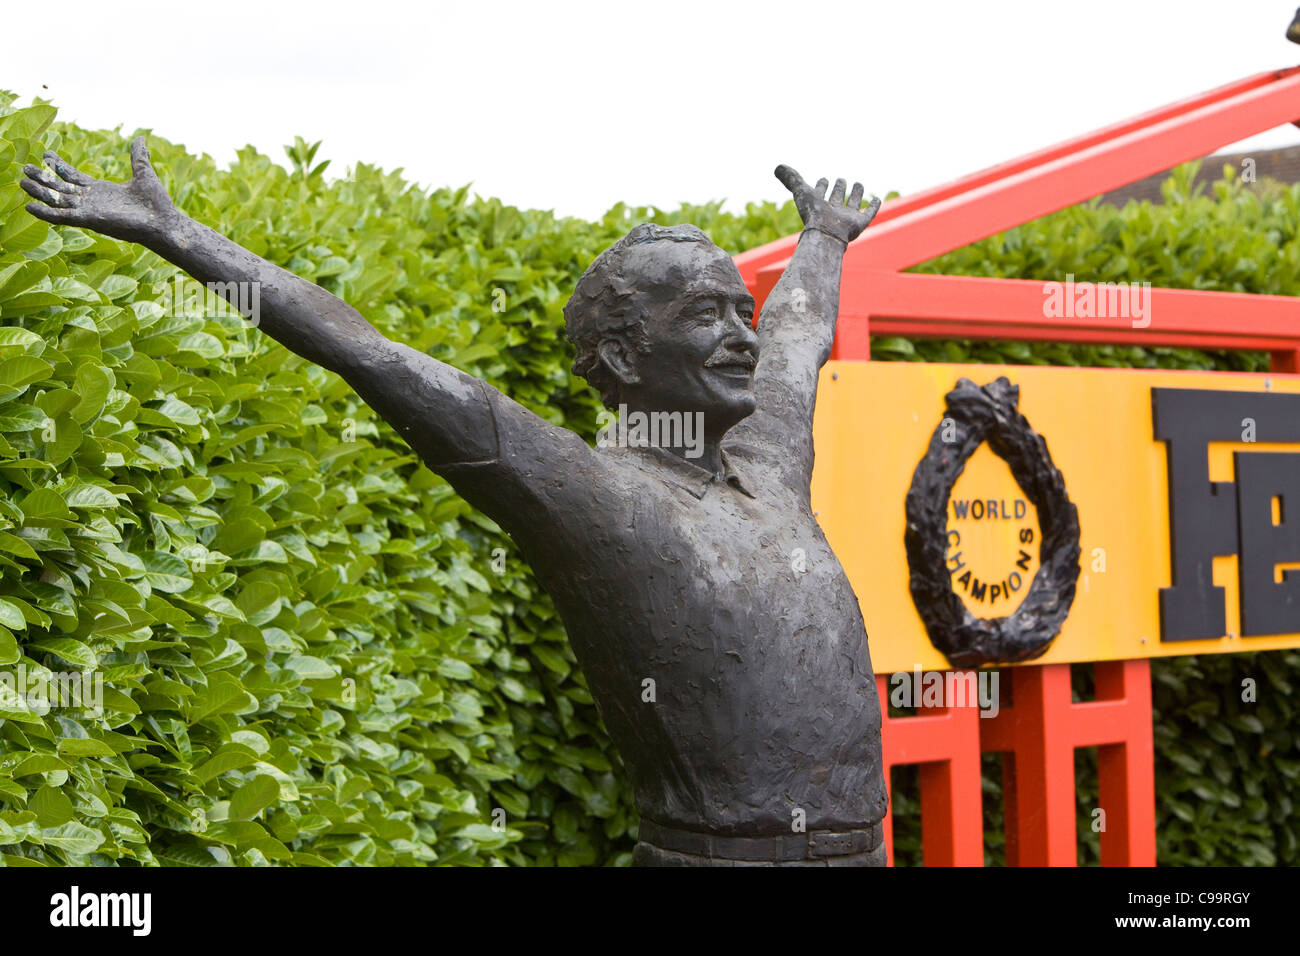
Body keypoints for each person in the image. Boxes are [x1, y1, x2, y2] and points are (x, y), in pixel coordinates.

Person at [22, 141, 888, 865]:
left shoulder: (766, 459)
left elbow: (796, 336)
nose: (742, 334)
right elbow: (366, 350)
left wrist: (824, 240)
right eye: (708, 314)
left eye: (743, 311)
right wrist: (177, 235)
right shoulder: (601, 502)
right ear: (623, 360)